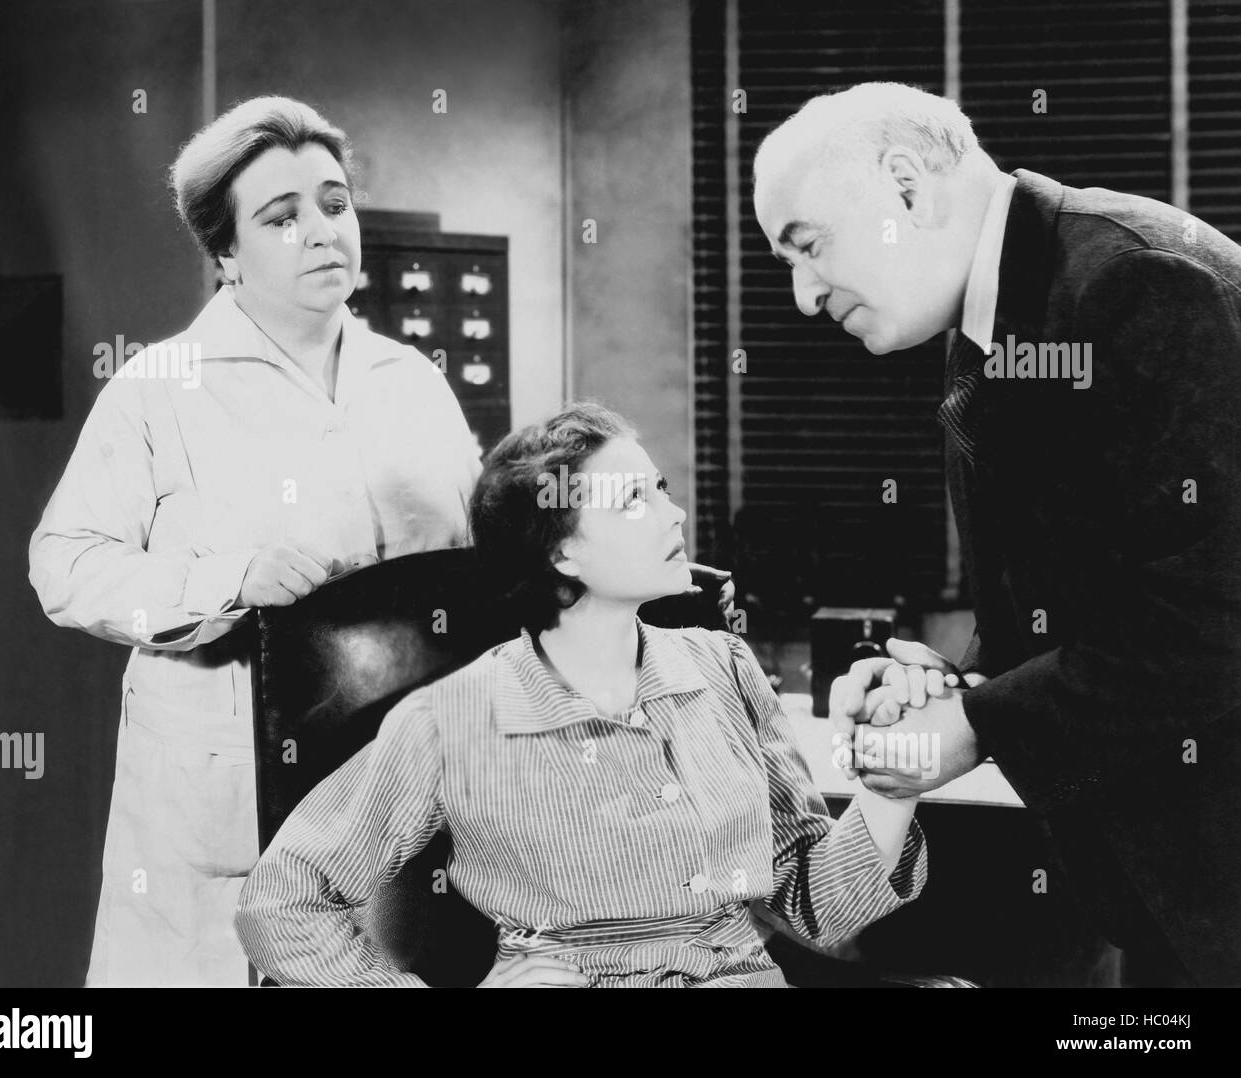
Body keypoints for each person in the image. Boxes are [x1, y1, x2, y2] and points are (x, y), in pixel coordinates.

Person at [752, 81, 1241, 986]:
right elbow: (1080, 602)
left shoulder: (1138, 280)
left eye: (808, 248)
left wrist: (974, 724)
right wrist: (944, 684)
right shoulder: (993, 321)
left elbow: (1214, 609)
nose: (804, 297)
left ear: (906, 186)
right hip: (1168, 887)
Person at [234, 402, 928, 987]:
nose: (674, 511)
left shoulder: (724, 667)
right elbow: (282, 901)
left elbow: (819, 908)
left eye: (659, 487)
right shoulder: (452, 720)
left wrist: (890, 785)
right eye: (635, 500)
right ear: (560, 553)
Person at [28, 97, 482, 986]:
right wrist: (229, 579)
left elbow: (471, 573)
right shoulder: (157, 388)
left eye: (333, 203)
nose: (320, 232)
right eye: (281, 218)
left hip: (406, 790)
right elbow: (65, 563)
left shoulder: (414, 385)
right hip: (225, 796)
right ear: (227, 255)